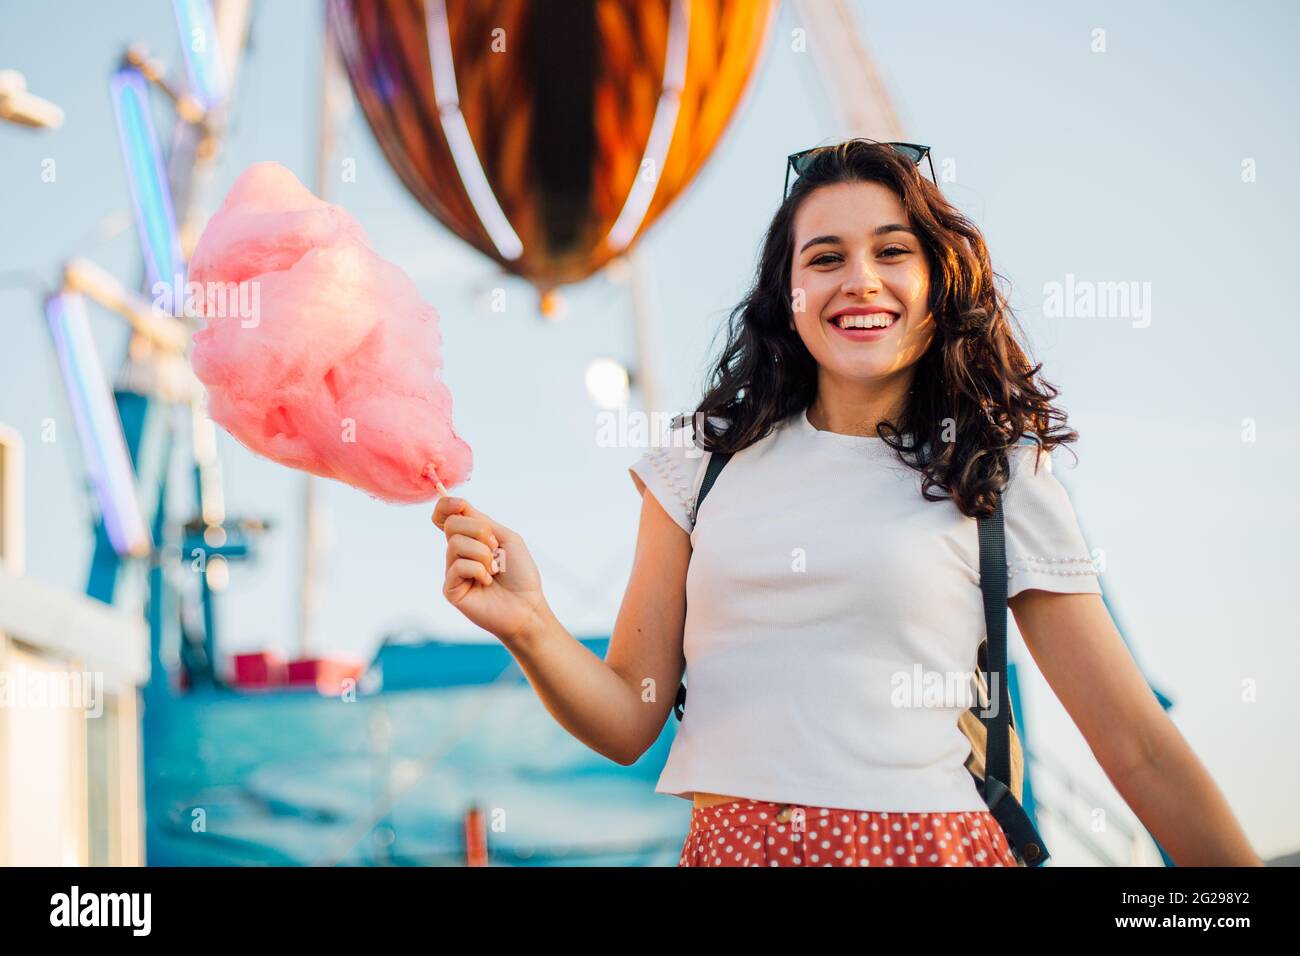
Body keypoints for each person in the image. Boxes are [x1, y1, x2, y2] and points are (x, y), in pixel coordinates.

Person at [432, 138, 1261, 867]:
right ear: (786, 297)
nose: (859, 280)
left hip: (933, 846)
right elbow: (627, 722)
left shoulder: (999, 472)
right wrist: (531, 624)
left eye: (892, 251)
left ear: (940, 282)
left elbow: (1138, 748)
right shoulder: (701, 465)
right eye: (824, 258)